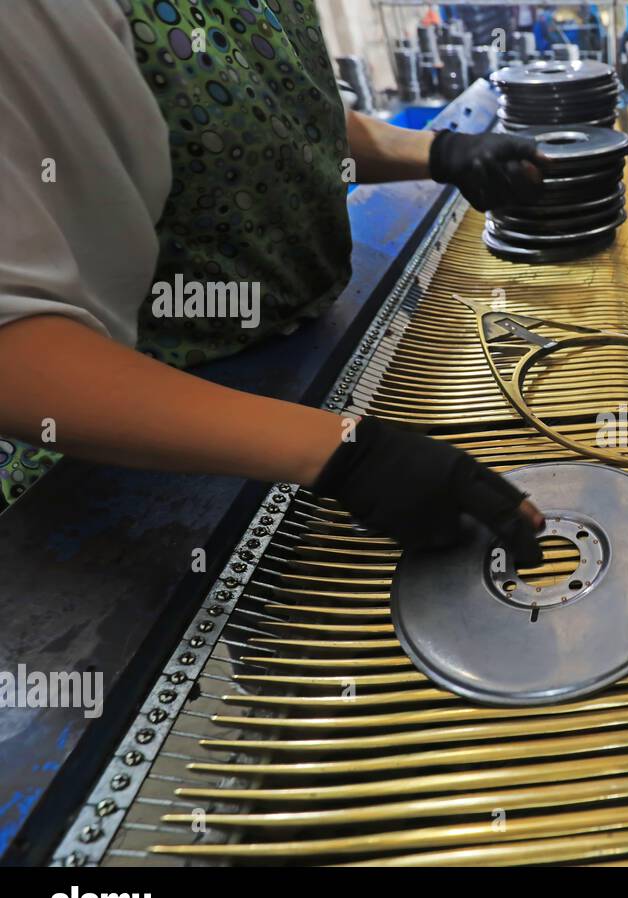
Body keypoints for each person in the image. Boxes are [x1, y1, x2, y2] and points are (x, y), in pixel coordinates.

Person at [0, 0, 544, 563]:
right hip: (129, 461)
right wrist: (343, 455)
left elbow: (273, 121)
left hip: (296, 363)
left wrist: (439, 151)